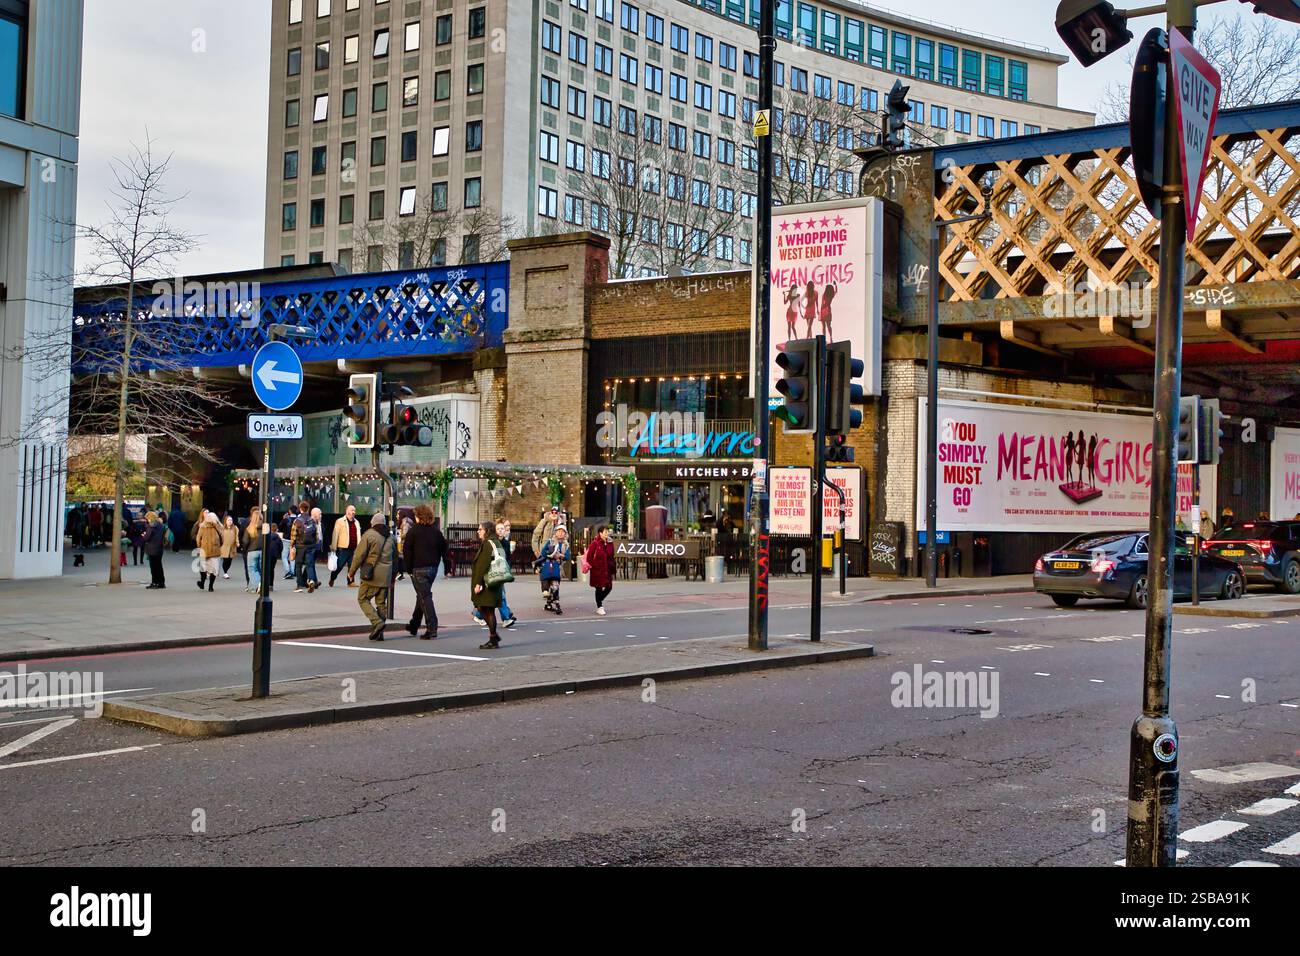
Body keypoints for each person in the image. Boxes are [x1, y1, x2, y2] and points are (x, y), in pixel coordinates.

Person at [402, 505, 447, 640]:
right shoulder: (436, 531)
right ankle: (414, 625)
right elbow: (444, 548)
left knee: (425, 597)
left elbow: (407, 551)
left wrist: (408, 569)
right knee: (422, 596)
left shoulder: (413, 531)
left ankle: (432, 627)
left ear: (418, 516)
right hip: (432, 568)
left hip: (419, 568)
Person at [350, 513, 397, 641]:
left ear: (373, 523)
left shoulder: (369, 535)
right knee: (381, 603)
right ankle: (380, 634)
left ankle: (377, 622)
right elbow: (396, 559)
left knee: (362, 599)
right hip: (386, 575)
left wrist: (351, 572)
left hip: (371, 575)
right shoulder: (391, 537)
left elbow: (359, 556)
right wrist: (393, 578)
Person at [474, 519, 517, 629]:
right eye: (499, 529)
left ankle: (499, 625)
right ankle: (504, 618)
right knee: (494, 600)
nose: (502, 531)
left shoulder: (496, 543)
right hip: (493, 575)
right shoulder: (492, 542)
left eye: (504, 528)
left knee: (493, 601)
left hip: (495, 575)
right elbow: (484, 563)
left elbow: (502, 558)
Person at [470, 520, 506, 650]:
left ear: (487, 531)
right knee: (483, 607)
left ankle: (493, 638)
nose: (478, 532)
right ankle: (494, 636)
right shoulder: (496, 542)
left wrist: (479, 583)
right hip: (495, 580)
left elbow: (483, 565)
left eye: (480, 529)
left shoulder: (487, 544)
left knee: (486, 609)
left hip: (487, 582)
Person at [535, 525, 571, 614]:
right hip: (548, 565)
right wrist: (550, 553)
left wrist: (560, 556)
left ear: (565, 534)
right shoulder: (550, 542)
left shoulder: (566, 545)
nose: (560, 533)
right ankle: (552, 601)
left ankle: (552, 603)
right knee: (546, 581)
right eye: (558, 531)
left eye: (562, 532)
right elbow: (543, 552)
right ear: (555, 532)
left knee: (555, 586)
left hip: (557, 566)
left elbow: (567, 557)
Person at [584, 523, 616, 615]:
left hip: (607, 569)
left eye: (607, 532)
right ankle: (600, 606)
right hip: (598, 570)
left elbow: (612, 555)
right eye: (605, 532)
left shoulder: (610, 543)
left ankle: (599, 599)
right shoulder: (595, 543)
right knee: (598, 588)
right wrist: (595, 565)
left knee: (609, 587)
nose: (607, 534)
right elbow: (589, 557)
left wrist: (612, 566)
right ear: (600, 533)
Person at [291, 502, 321, 593]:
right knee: (310, 565)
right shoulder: (312, 520)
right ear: (308, 509)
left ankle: (299, 585)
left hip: (300, 546)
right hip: (311, 546)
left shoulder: (297, 521)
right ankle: (311, 580)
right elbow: (316, 535)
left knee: (298, 565)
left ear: (300, 509)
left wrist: (292, 545)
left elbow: (293, 534)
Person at [329, 504, 361, 587]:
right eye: (352, 510)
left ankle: (350, 582)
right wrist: (334, 547)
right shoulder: (340, 521)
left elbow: (358, 535)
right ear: (347, 511)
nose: (353, 512)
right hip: (343, 548)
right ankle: (332, 577)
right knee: (339, 566)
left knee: (352, 567)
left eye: (354, 510)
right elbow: (335, 534)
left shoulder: (356, 522)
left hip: (354, 548)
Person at [195, 512, 223, 592]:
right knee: (214, 570)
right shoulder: (219, 526)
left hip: (204, 551)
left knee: (203, 568)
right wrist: (219, 546)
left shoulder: (202, 526)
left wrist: (200, 546)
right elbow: (222, 537)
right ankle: (211, 586)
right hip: (215, 551)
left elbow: (198, 538)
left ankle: (202, 583)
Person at [243, 506, 264, 594]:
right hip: (262, 551)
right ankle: (261, 584)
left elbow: (245, 541)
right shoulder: (265, 527)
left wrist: (245, 550)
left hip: (252, 550)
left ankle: (258, 583)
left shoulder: (249, 528)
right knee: (260, 569)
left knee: (252, 569)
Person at [143, 511, 167, 589]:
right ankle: (161, 583)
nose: (146, 520)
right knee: (159, 566)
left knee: (153, 567)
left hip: (152, 548)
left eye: (146, 518)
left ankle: (155, 582)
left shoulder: (151, 526)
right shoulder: (161, 525)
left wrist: (144, 535)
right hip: (159, 548)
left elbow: (147, 537)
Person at [219, 514, 239, 579]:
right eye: (228, 520)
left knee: (230, 561)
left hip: (232, 547)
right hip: (224, 547)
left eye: (231, 520)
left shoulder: (235, 528)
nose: (230, 521)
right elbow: (220, 537)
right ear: (225, 521)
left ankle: (226, 571)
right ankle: (225, 573)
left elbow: (236, 536)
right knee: (225, 560)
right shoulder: (222, 528)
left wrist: (237, 543)